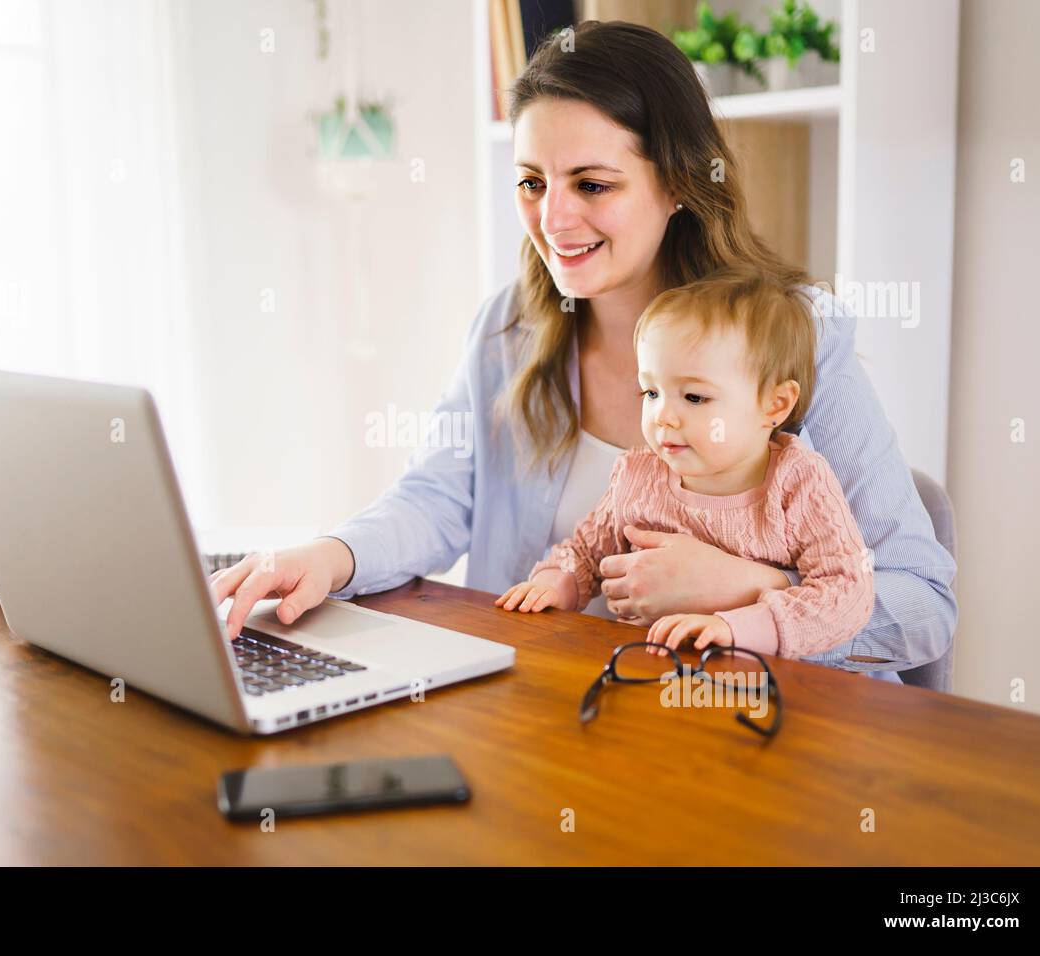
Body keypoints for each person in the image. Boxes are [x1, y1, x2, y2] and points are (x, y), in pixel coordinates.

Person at [211, 21, 955, 682]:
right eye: (532, 182)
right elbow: (435, 499)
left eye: (592, 184)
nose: (554, 218)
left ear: (679, 186)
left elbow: (923, 604)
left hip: (756, 742)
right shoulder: (511, 328)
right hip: (555, 717)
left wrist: (743, 590)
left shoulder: (799, 337)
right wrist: (327, 557)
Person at [496, 267, 875, 661]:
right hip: (646, 673)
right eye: (652, 392)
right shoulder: (639, 475)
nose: (663, 416)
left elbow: (847, 591)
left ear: (774, 404)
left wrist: (738, 626)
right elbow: (586, 553)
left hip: (760, 690)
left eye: (693, 398)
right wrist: (558, 582)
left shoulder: (797, 482)